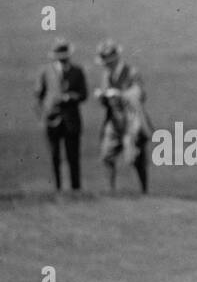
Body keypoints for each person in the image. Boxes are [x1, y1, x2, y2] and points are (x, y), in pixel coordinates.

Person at [94, 39, 152, 194]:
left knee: (135, 158)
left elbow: (140, 95)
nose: (106, 64)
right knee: (106, 155)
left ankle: (143, 191)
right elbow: (107, 100)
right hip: (114, 121)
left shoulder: (131, 72)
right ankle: (110, 191)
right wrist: (103, 97)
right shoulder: (106, 75)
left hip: (132, 121)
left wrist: (120, 94)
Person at [34, 39, 88, 193]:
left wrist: (71, 97)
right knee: (54, 155)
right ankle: (57, 188)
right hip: (52, 119)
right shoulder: (46, 71)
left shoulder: (77, 71)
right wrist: (43, 114)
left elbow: (84, 94)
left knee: (73, 156)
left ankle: (76, 189)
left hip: (71, 119)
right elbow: (38, 94)